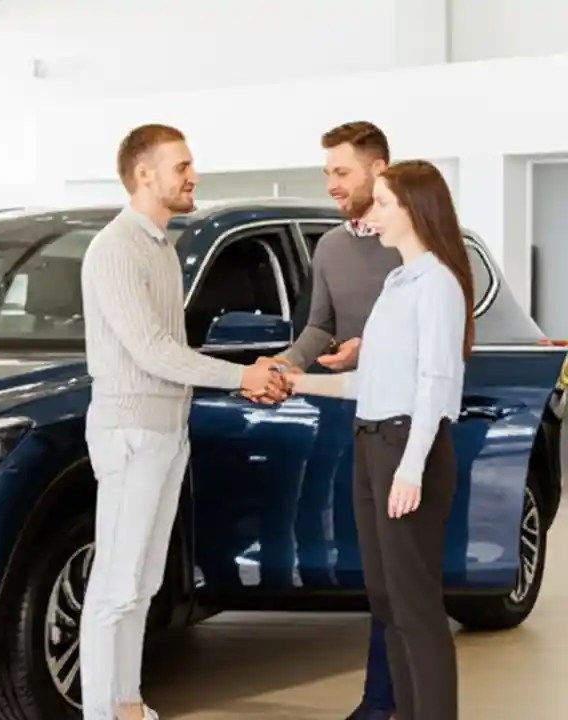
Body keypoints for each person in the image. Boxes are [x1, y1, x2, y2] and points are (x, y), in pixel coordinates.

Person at [79, 123, 289, 720]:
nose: (193, 176)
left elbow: (168, 350)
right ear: (144, 175)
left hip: (166, 431)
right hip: (131, 432)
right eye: (182, 166)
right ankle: (102, 713)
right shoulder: (116, 248)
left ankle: (126, 704)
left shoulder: (161, 248)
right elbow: (150, 349)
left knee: (142, 585)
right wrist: (242, 376)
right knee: (114, 590)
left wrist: (245, 371)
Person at [286, 159, 472, 720]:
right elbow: (372, 382)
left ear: (415, 211)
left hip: (405, 447)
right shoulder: (397, 282)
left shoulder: (437, 283)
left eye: (385, 202)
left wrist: (411, 468)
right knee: (388, 602)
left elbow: (435, 384)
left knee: (416, 607)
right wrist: (301, 381)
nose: (375, 211)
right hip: (373, 441)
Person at [254, 120, 402, 720]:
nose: (332, 185)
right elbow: (320, 325)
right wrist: (285, 362)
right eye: (327, 174)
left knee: (401, 578)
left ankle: (386, 703)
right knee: (379, 574)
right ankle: (384, 701)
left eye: (341, 172)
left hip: (408, 422)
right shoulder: (331, 247)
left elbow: (442, 331)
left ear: (377, 168)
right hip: (355, 421)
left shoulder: (413, 241)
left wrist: (368, 345)